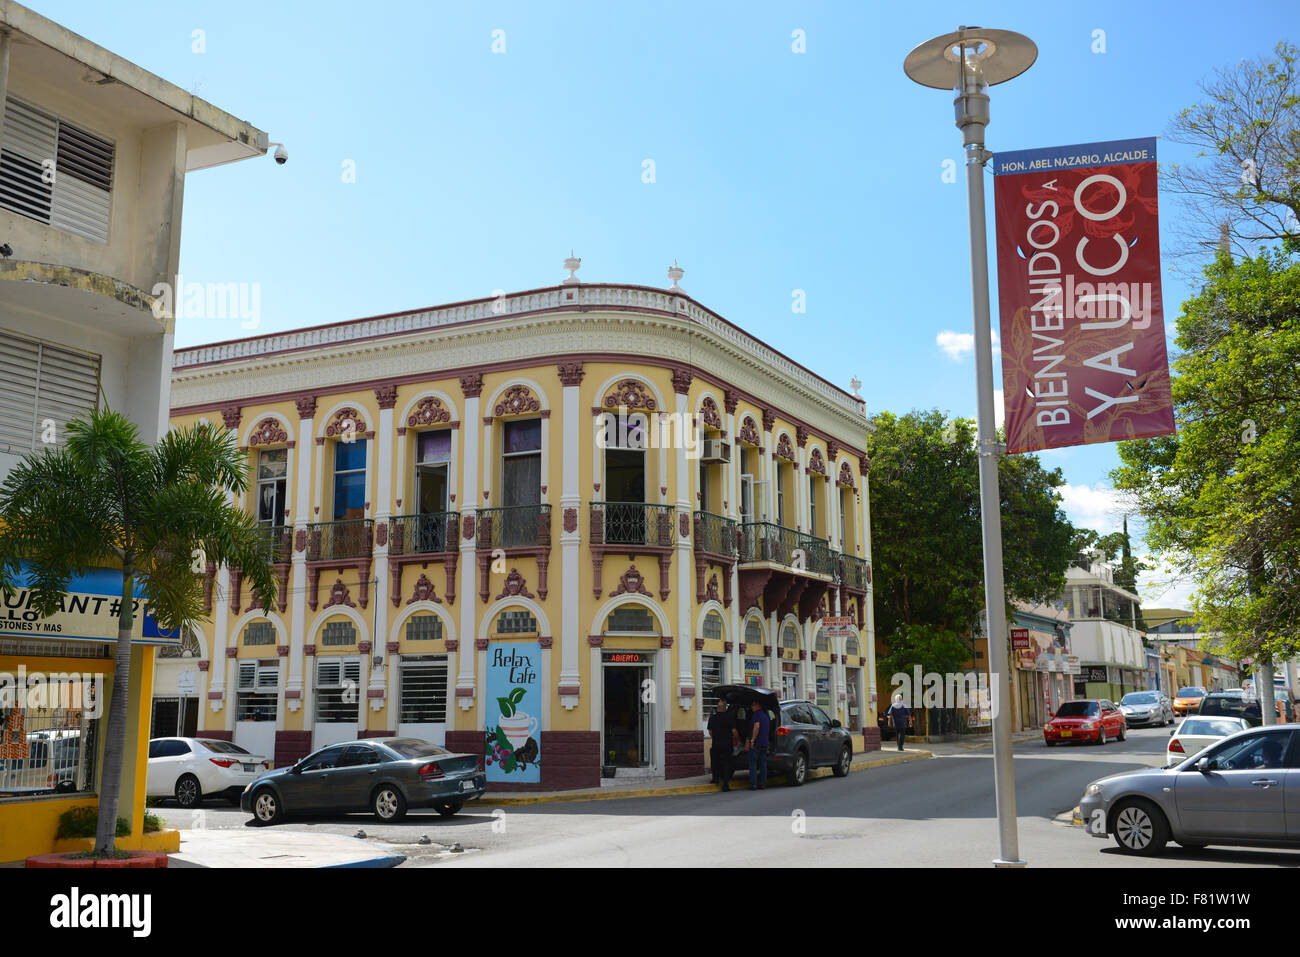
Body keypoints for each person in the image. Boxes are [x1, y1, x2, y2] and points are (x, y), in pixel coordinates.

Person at [707, 698, 738, 790]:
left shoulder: (713, 717)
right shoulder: (729, 717)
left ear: (718, 707)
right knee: (726, 764)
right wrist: (738, 739)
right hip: (727, 745)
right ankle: (725, 784)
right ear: (724, 707)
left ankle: (715, 779)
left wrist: (715, 738)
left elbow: (710, 731)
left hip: (716, 744)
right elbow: (734, 731)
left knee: (715, 762)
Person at [746, 697, 770, 789]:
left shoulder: (756, 715)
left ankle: (753, 784)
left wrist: (752, 740)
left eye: (753, 705)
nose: (751, 707)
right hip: (764, 743)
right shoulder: (766, 716)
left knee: (753, 764)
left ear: (757, 705)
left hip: (757, 743)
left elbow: (757, 726)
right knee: (763, 764)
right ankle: (763, 784)